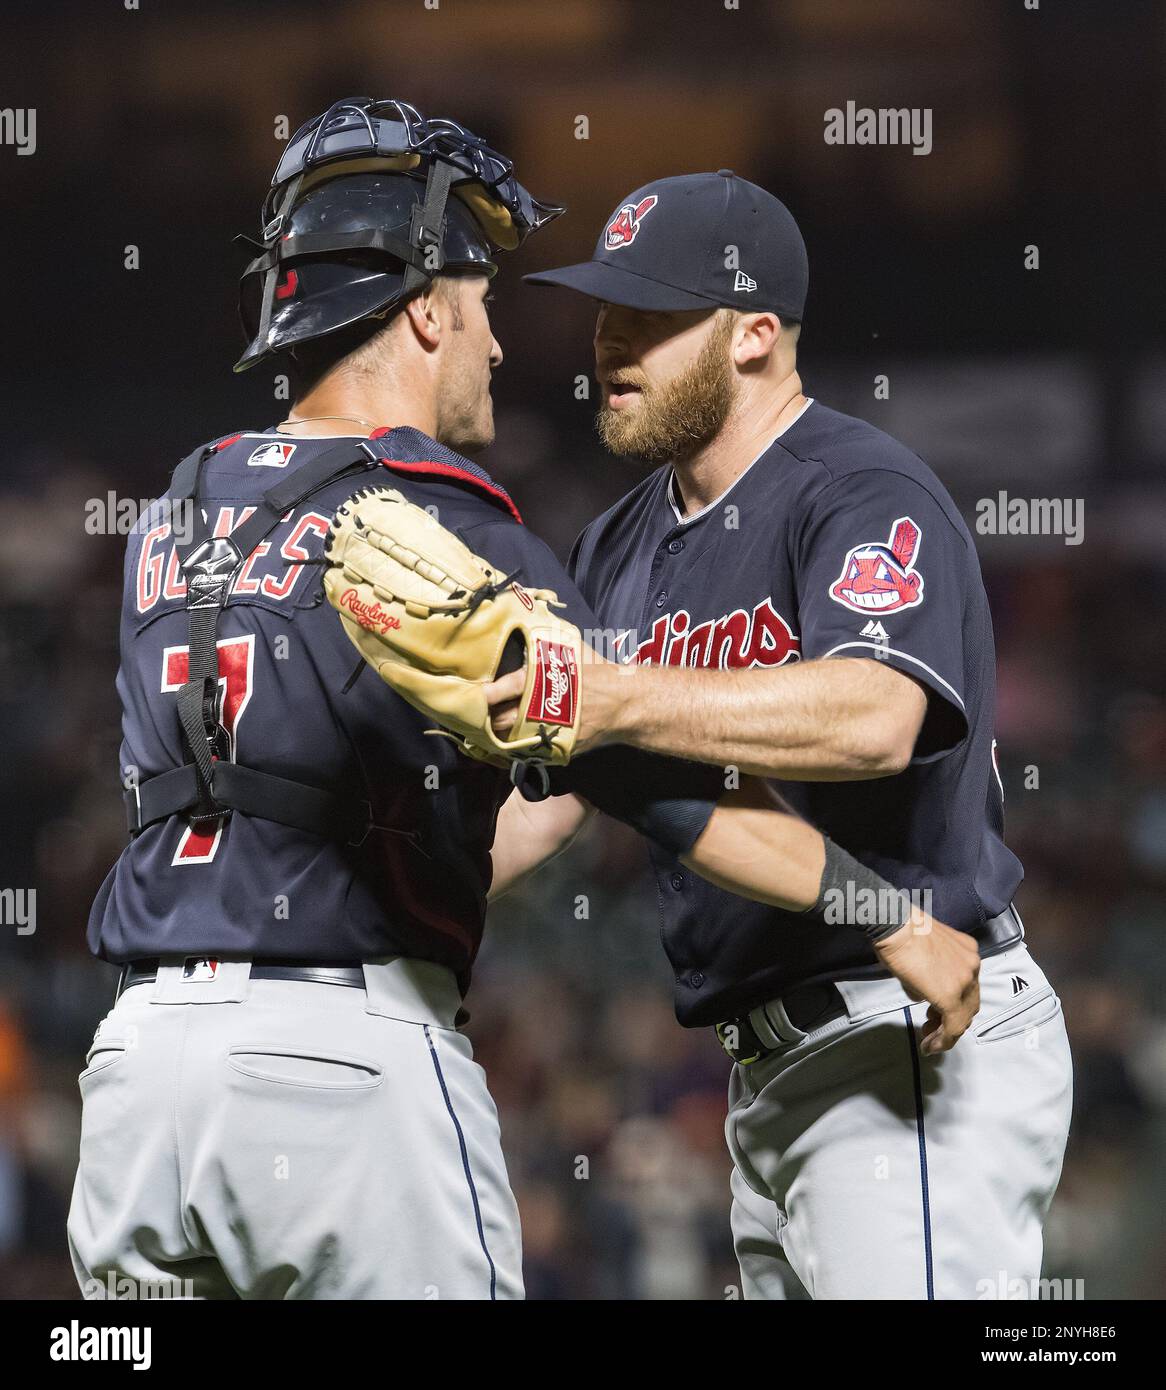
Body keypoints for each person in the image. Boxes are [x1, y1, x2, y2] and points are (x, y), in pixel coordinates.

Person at [68, 104, 974, 1302]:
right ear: (428, 311)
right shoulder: (452, 528)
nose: (501, 346)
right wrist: (893, 917)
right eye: (484, 303)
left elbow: (317, 798)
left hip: (132, 1081)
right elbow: (671, 796)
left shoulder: (169, 517)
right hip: (342, 1065)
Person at [483, 172, 1074, 1299]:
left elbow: (874, 715)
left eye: (648, 316)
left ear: (753, 333)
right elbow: (557, 789)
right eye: (604, 312)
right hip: (770, 1074)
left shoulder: (854, 487)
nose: (609, 343)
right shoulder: (616, 544)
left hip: (906, 1038)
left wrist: (619, 693)